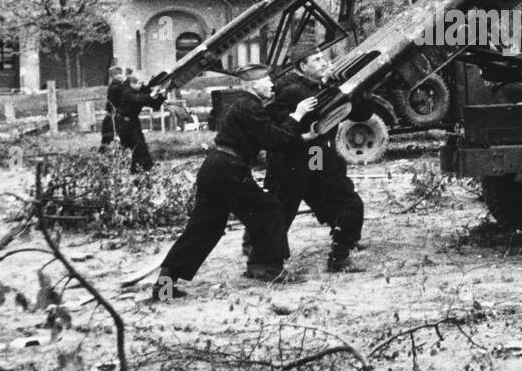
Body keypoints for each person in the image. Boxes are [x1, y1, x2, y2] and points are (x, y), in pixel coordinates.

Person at [151, 64, 319, 300]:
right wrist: (297, 115)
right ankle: (269, 268)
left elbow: (270, 135)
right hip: (230, 169)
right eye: (267, 80)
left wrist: (303, 137)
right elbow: (273, 139)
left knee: (203, 228)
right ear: (253, 85)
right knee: (270, 209)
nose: (272, 84)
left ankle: (164, 286)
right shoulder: (249, 105)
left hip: (215, 168)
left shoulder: (246, 105)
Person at [266, 38, 367, 273]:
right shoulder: (293, 91)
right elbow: (271, 123)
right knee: (281, 211)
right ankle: (266, 264)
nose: (325, 62)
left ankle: (340, 254)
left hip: (315, 154)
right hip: (293, 159)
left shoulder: (316, 87)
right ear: (303, 67)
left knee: (343, 199)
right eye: (317, 60)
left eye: (323, 58)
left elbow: (360, 112)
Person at [112, 72, 164, 172]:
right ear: (132, 83)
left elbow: (153, 104)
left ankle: (146, 167)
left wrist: (162, 95)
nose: (142, 85)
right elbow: (137, 100)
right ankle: (133, 168)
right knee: (131, 145)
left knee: (141, 144)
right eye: (140, 83)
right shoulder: (126, 92)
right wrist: (152, 94)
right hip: (123, 122)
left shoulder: (139, 91)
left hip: (133, 121)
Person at [100, 66, 125, 152]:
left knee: (109, 139)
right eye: (117, 74)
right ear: (113, 76)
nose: (120, 76)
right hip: (114, 117)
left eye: (121, 74)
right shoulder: (115, 86)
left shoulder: (118, 85)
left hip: (114, 116)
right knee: (111, 137)